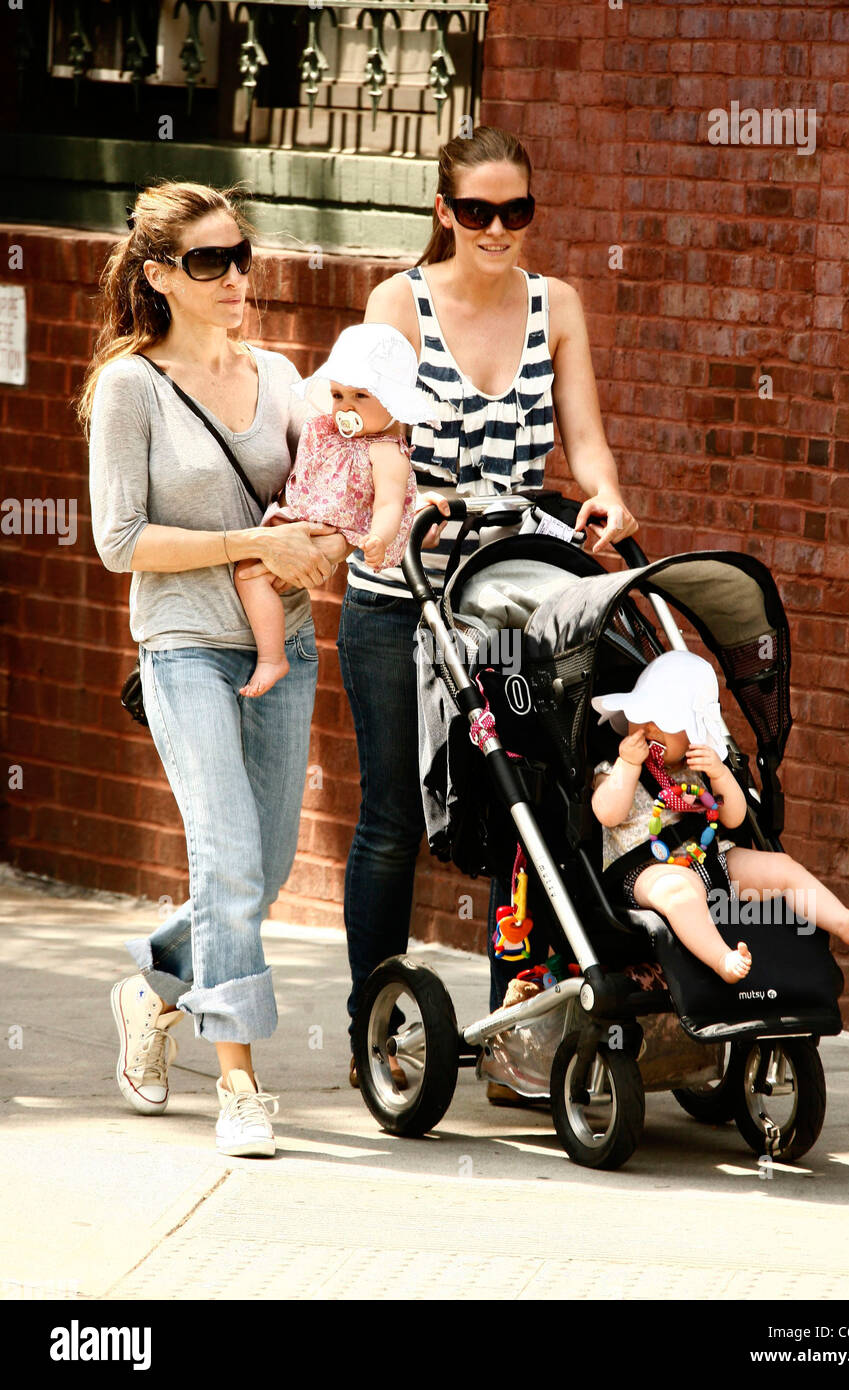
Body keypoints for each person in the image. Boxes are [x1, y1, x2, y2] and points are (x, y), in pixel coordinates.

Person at [322, 126, 639, 1099]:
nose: (497, 229)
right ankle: (372, 1025)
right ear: (443, 212)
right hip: (400, 593)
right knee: (389, 819)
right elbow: (367, 436)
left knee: (522, 805)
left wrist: (606, 496)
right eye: (477, 211)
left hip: (506, 595)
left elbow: (583, 439)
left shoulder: (558, 306)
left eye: (516, 211)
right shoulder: (396, 302)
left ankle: (513, 1040)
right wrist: (419, 498)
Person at [81, 181, 347, 1155]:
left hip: (285, 642)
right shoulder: (130, 386)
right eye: (208, 262)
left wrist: (324, 543)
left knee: (263, 868)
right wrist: (248, 541)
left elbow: (312, 505)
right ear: (159, 276)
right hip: (182, 646)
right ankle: (238, 1082)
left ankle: (151, 997)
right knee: (229, 857)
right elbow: (119, 541)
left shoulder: (280, 376)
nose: (236, 276)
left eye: (241, 254)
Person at [591, 651, 849, 983]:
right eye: (641, 716)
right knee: (682, 891)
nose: (647, 728)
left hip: (711, 857)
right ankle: (721, 958)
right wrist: (628, 766)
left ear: (692, 732)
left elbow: (733, 818)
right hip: (648, 871)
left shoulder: (698, 768)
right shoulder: (613, 770)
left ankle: (844, 921)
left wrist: (719, 773)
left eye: (663, 722)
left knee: (782, 867)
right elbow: (607, 812)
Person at [232, 324, 440, 697]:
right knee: (254, 572)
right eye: (338, 394)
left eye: (361, 395)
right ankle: (266, 646)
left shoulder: (386, 452)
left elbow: (389, 503)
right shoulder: (323, 430)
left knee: (250, 575)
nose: (346, 406)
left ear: (392, 402)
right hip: (299, 522)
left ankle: (271, 657)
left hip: (332, 533)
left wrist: (380, 536)